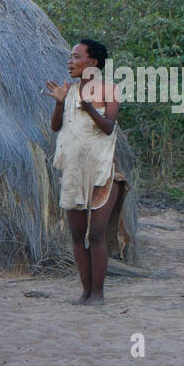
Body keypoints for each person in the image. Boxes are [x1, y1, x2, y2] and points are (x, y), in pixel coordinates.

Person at [46, 38, 129, 305]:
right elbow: (56, 127)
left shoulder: (109, 90)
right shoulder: (68, 91)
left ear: (92, 62)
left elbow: (108, 127)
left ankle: (98, 294)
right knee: (77, 236)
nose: (70, 61)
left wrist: (90, 107)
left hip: (102, 173)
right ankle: (84, 292)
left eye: (76, 56)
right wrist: (60, 101)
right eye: (70, 57)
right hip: (74, 173)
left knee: (95, 235)